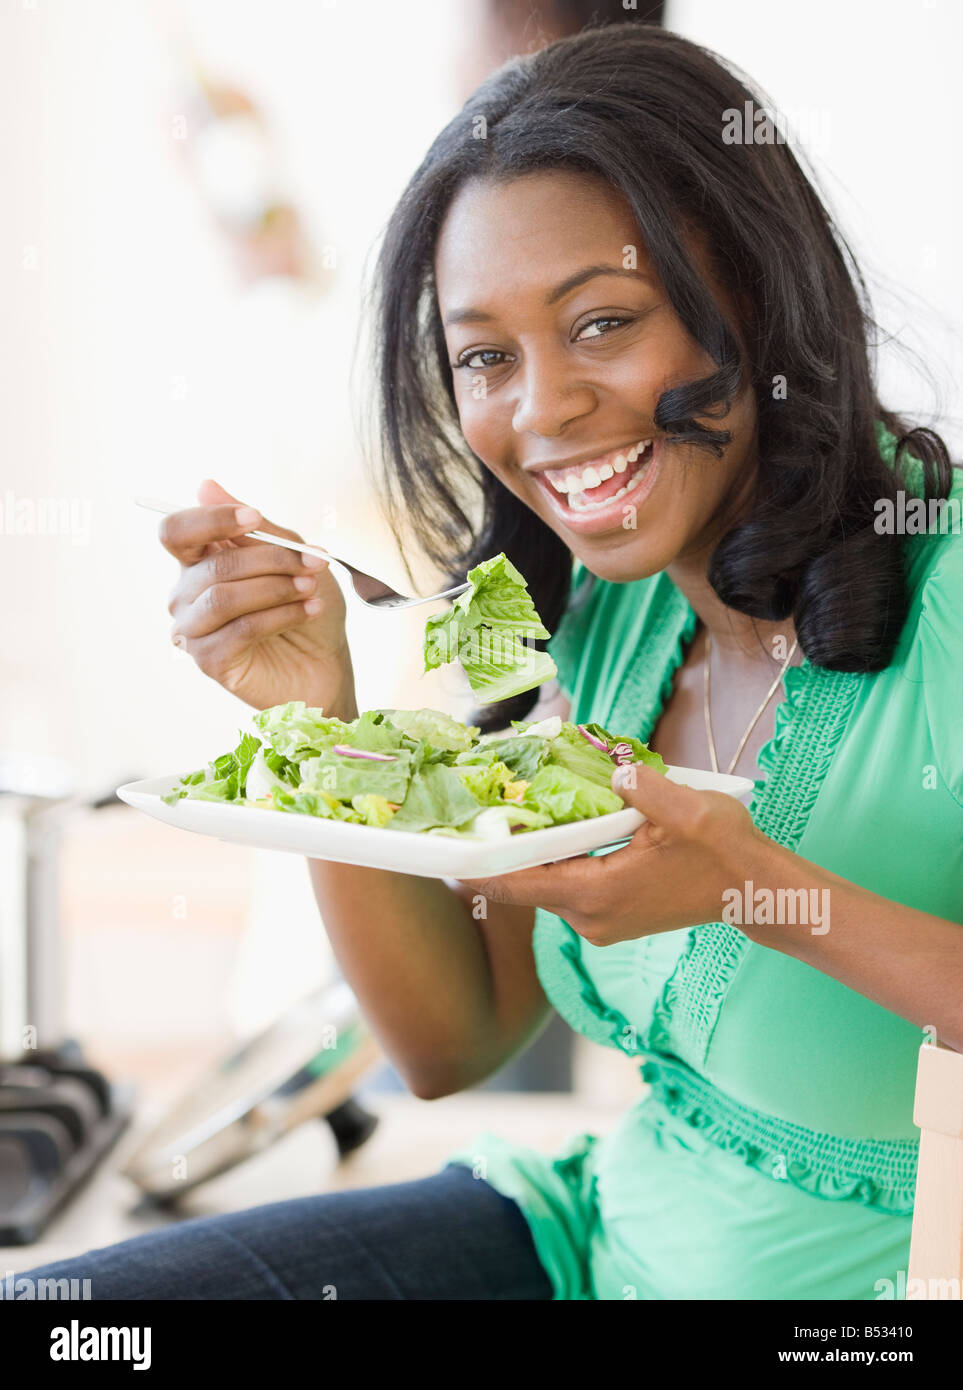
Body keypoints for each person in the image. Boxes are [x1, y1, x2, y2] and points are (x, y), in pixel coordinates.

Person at [15, 23, 962, 1300]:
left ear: (760, 291)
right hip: (586, 1246)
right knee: (72, 1323)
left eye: (604, 322)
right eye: (486, 357)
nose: (541, 410)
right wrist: (322, 720)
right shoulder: (614, 621)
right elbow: (452, 1040)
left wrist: (747, 884)